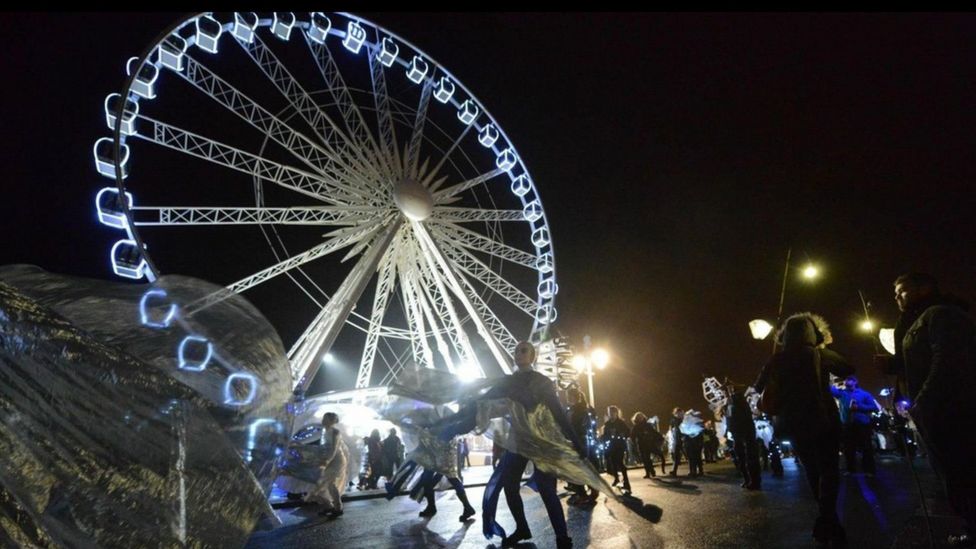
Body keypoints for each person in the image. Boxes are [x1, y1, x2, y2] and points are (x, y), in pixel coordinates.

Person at [433, 342, 588, 549]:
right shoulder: (508, 382)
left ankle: (562, 538)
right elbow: (480, 402)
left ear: (533, 355)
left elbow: (558, 414)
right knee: (509, 485)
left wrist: (576, 442)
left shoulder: (542, 382)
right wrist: (449, 424)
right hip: (518, 439)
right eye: (515, 350)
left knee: (546, 489)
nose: (518, 353)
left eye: (523, 350)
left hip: (540, 440)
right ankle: (522, 527)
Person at [877, 273, 976, 547]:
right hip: (932, 410)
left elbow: (949, 360)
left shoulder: (941, 314)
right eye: (895, 294)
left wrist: (924, 399)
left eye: (903, 291)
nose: (897, 298)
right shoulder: (912, 323)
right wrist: (895, 371)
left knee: (963, 471)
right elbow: (915, 366)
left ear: (925, 288)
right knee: (950, 473)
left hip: (952, 409)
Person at [754, 313, 854, 545]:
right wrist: (824, 345)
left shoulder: (775, 359)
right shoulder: (820, 354)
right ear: (813, 333)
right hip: (823, 421)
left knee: (812, 470)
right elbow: (848, 369)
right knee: (829, 472)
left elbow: (758, 387)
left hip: (793, 424)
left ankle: (827, 520)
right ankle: (828, 520)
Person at [830, 375, 878, 476]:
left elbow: (874, 407)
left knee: (866, 447)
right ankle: (851, 469)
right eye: (846, 379)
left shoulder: (864, 394)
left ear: (855, 382)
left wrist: (859, 407)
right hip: (848, 424)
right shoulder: (842, 393)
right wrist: (831, 380)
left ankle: (869, 470)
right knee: (848, 448)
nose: (846, 381)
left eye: (849, 380)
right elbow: (830, 390)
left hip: (862, 423)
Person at [310, 412, 349, 518]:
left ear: (331, 421)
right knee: (322, 484)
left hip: (336, 460)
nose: (323, 420)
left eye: (325, 418)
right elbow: (323, 447)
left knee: (330, 484)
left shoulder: (335, 432)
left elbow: (334, 449)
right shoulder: (324, 431)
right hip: (327, 459)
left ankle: (338, 508)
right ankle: (329, 506)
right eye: (323, 418)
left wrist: (327, 461)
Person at [566, 389, 599, 504]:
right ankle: (587, 490)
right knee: (578, 467)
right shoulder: (572, 409)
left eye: (569, 396)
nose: (568, 398)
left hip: (579, 441)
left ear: (575, 397)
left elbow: (583, 426)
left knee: (577, 468)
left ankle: (585, 493)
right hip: (575, 441)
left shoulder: (581, 410)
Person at [725, 384, 761, 490]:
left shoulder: (735, 402)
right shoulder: (735, 402)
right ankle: (750, 480)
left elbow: (734, 419)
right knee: (746, 458)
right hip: (741, 434)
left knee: (746, 458)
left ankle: (752, 481)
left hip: (741, 434)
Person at [602, 405, 631, 493]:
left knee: (620, 462)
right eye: (609, 413)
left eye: (612, 412)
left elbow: (628, 432)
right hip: (611, 446)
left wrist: (623, 435)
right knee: (613, 463)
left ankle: (626, 481)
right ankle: (616, 478)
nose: (611, 414)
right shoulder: (607, 424)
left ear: (616, 413)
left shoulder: (621, 423)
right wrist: (602, 439)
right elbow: (605, 434)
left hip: (619, 445)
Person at [630, 411, 665, 478]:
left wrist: (660, 437)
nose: (640, 418)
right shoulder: (636, 427)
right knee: (645, 459)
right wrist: (634, 443)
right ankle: (649, 472)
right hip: (642, 445)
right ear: (636, 418)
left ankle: (652, 471)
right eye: (639, 417)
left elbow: (654, 432)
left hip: (650, 444)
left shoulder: (648, 425)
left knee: (657, 456)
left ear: (643, 417)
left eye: (641, 417)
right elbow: (632, 436)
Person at [680, 410, 705, 477]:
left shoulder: (697, 421)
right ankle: (696, 471)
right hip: (692, 443)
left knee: (694, 457)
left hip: (694, 442)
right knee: (694, 457)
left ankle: (695, 471)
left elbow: (701, 431)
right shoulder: (689, 422)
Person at [668, 407, 684, 476]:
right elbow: (671, 429)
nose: (681, 414)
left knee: (689, 455)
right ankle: (674, 471)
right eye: (679, 413)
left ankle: (695, 469)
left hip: (682, 439)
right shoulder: (675, 420)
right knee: (676, 456)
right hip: (678, 439)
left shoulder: (679, 420)